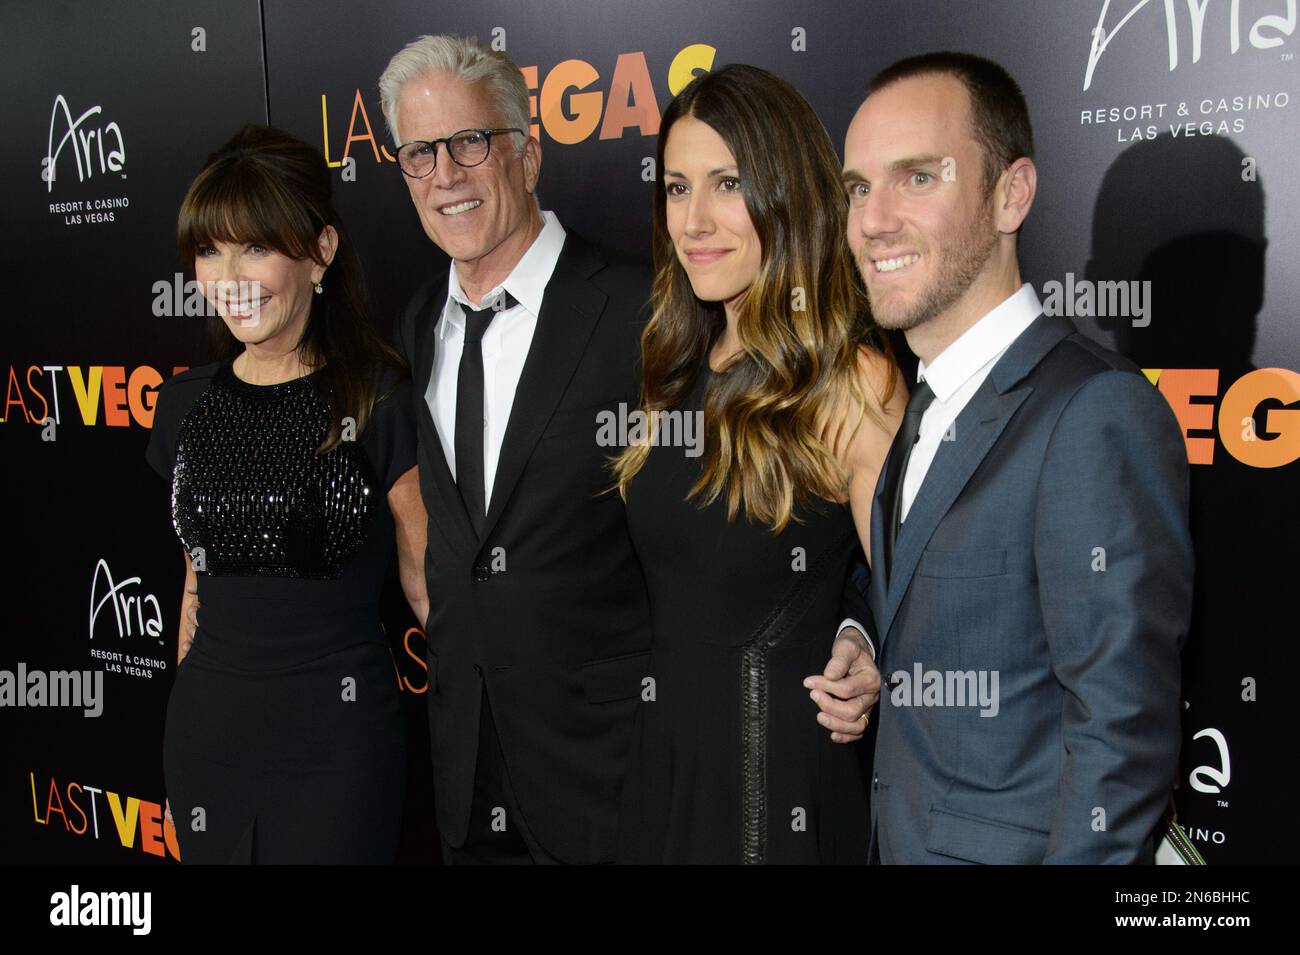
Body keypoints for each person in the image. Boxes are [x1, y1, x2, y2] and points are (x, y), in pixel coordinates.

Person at [377, 35, 878, 864]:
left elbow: (851, 541)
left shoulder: (645, 318)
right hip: (468, 776)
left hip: (623, 775)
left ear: (528, 155)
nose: (446, 174)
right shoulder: (417, 324)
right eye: (419, 154)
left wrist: (860, 632)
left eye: (470, 142)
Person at [839, 51, 1193, 863]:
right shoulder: (927, 402)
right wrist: (864, 630)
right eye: (859, 187)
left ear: (1011, 193)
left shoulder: (1093, 411)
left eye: (917, 178)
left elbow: (1122, 742)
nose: (872, 220)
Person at [611, 63, 905, 864]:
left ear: (788, 192)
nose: (695, 219)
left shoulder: (851, 379)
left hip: (776, 785)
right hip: (663, 768)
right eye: (675, 188)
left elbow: (917, 588)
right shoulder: (671, 363)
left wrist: (865, 642)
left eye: (727, 183)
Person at [146, 125, 426, 863]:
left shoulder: (378, 400)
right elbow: (193, 590)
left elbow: (433, 594)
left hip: (337, 747)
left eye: (255, 247)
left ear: (321, 252)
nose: (228, 276)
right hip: (207, 740)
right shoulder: (183, 406)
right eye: (208, 251)